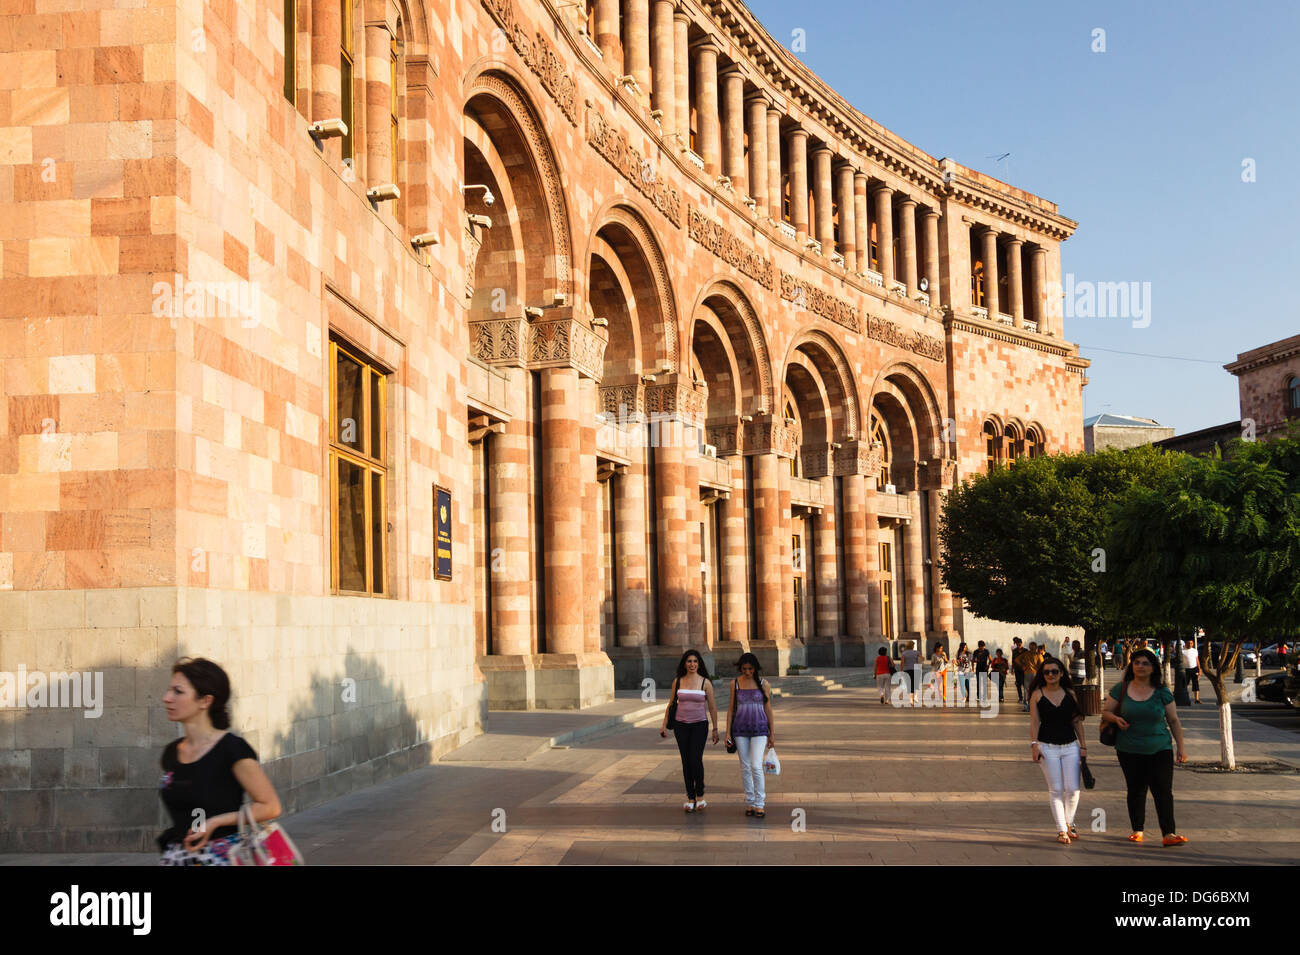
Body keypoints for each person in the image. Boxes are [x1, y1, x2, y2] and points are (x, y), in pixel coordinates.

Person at [159, 658, 282, 865]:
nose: (166, 698)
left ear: (205, 701)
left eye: (178, 692)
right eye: (169, 690)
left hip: (222, 857)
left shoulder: (232, 749)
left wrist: (216, 822)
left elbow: (270, 806)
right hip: (178, 858)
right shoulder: (172, 752)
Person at [1100, 648, 1189, 846]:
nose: (1140, 666)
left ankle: (1169, 834)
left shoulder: (1162, 691)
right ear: (1132, 666)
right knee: (1136, 789)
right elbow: (1105, 712)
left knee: (1163, 790)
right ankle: (1137, 829)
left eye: (1145, 663)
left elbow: (1174, 721)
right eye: (1137, 662)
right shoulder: (1121, 688)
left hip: (1160, 748)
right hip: (1128, 749)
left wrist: (1181, 747)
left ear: (1153, 668)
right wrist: (1116, 718)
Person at [1027, 655, 1086, 844]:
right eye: (1046, 672)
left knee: (1073, 789)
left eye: (1054, 671)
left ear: (1061, 673)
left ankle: (1069, 823)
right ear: (1042, 674)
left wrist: (1083, 745)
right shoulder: (1037, 695)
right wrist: (1034, 745)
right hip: (1047, 747)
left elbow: (1077, 720)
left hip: (1070, 746)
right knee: (1057, 789)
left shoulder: (1070, 693)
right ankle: (1062, 830)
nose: (1050, 675)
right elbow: (1035, 722)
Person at [660, 649, 719, 812]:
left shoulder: (705, 682)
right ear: (684, 664)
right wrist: (664, 724)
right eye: (689, 661)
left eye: (695, 661)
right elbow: (671, 704)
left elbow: (713, 707)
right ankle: (690, 797)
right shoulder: (678, 681)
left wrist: (715, 728)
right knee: (686, 761)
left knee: (695, 759)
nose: (692, 664)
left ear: (699, 664)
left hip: (700, 725)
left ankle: (700, 794)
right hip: (681, 725)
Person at [725, 653, 775, 818]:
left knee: (755, 765)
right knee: (745, 767)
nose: (747, 672)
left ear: (755, 668)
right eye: (744, 669)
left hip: (760, 729)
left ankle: (760, 803)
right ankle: (750, 802)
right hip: (740, 730)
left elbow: (768, 709)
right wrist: (727, 732)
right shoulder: (735, 683)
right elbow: (731, 709)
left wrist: (772, 733)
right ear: (740, 668)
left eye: (750, 669)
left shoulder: (763, 684)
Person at [1021, 642, 1044, 712]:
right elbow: (1042, 665)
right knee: (1036, 689)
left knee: (1026, 690)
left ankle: (1026, 706)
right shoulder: (1039, 655)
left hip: (1027, 673)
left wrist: (1023, 666)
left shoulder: (1026, 654)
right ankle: (1035, 706)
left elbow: (1017, 660)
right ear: (1036, 647)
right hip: (1035, 674)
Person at [1180, 639, 1201, 704]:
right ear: (1186, 643)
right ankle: (1185, 698)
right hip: (1186, 669)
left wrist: (1199, 669)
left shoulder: (1195, 650)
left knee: (1196, 684)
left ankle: (1196, 699)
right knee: (1185, 684)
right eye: (1188, 643)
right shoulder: (1182, 651)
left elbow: (1197, 660)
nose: (1190, 644)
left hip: (1194, 668)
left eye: (1191, 643)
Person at [1011, 637, 1026, 702]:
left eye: (1019, 644)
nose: (1018, 645)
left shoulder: (1025, 651)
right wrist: (1012, 669)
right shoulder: (1014, 651)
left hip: (1024, 669)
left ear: (1021, 643)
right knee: (1018, 684)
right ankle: (1020, 697)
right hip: (1017, 669)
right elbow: (1013, 660)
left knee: (1025, 684)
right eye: (1017, 644)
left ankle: (1026, 697)